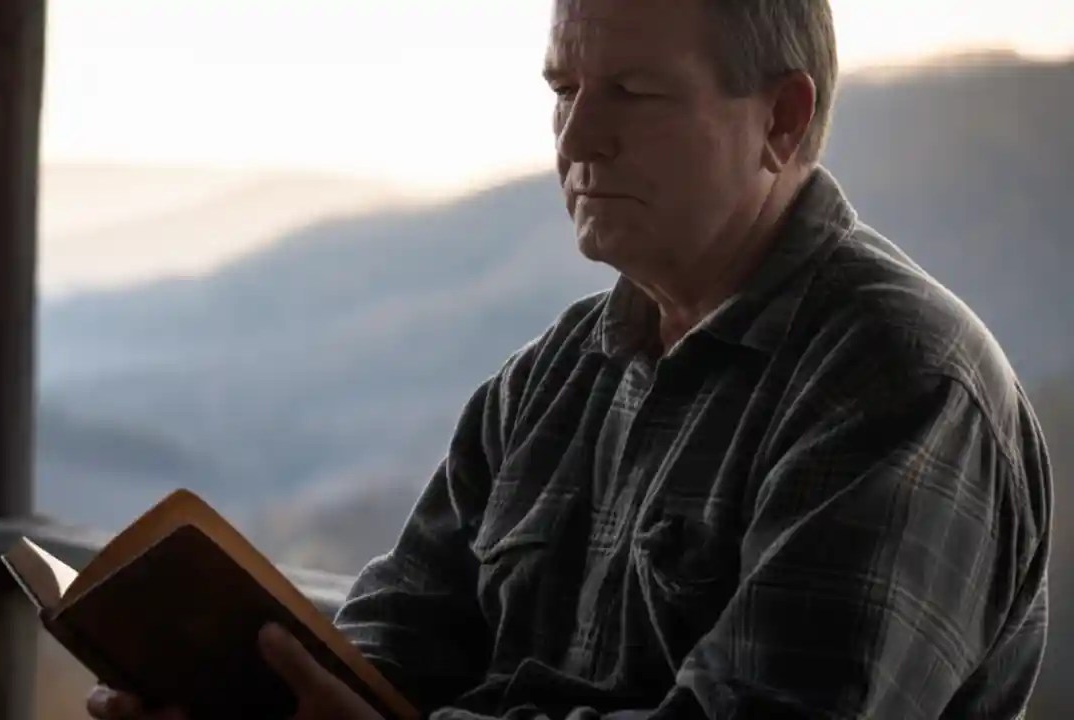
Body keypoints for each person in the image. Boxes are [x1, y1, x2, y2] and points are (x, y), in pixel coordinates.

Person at [87, 0, 1052, 718]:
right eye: (563, 90)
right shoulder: (546, 383)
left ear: (782, 121)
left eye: (633, 92)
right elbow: (391, 643)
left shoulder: (900, 383)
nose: (578, 137)